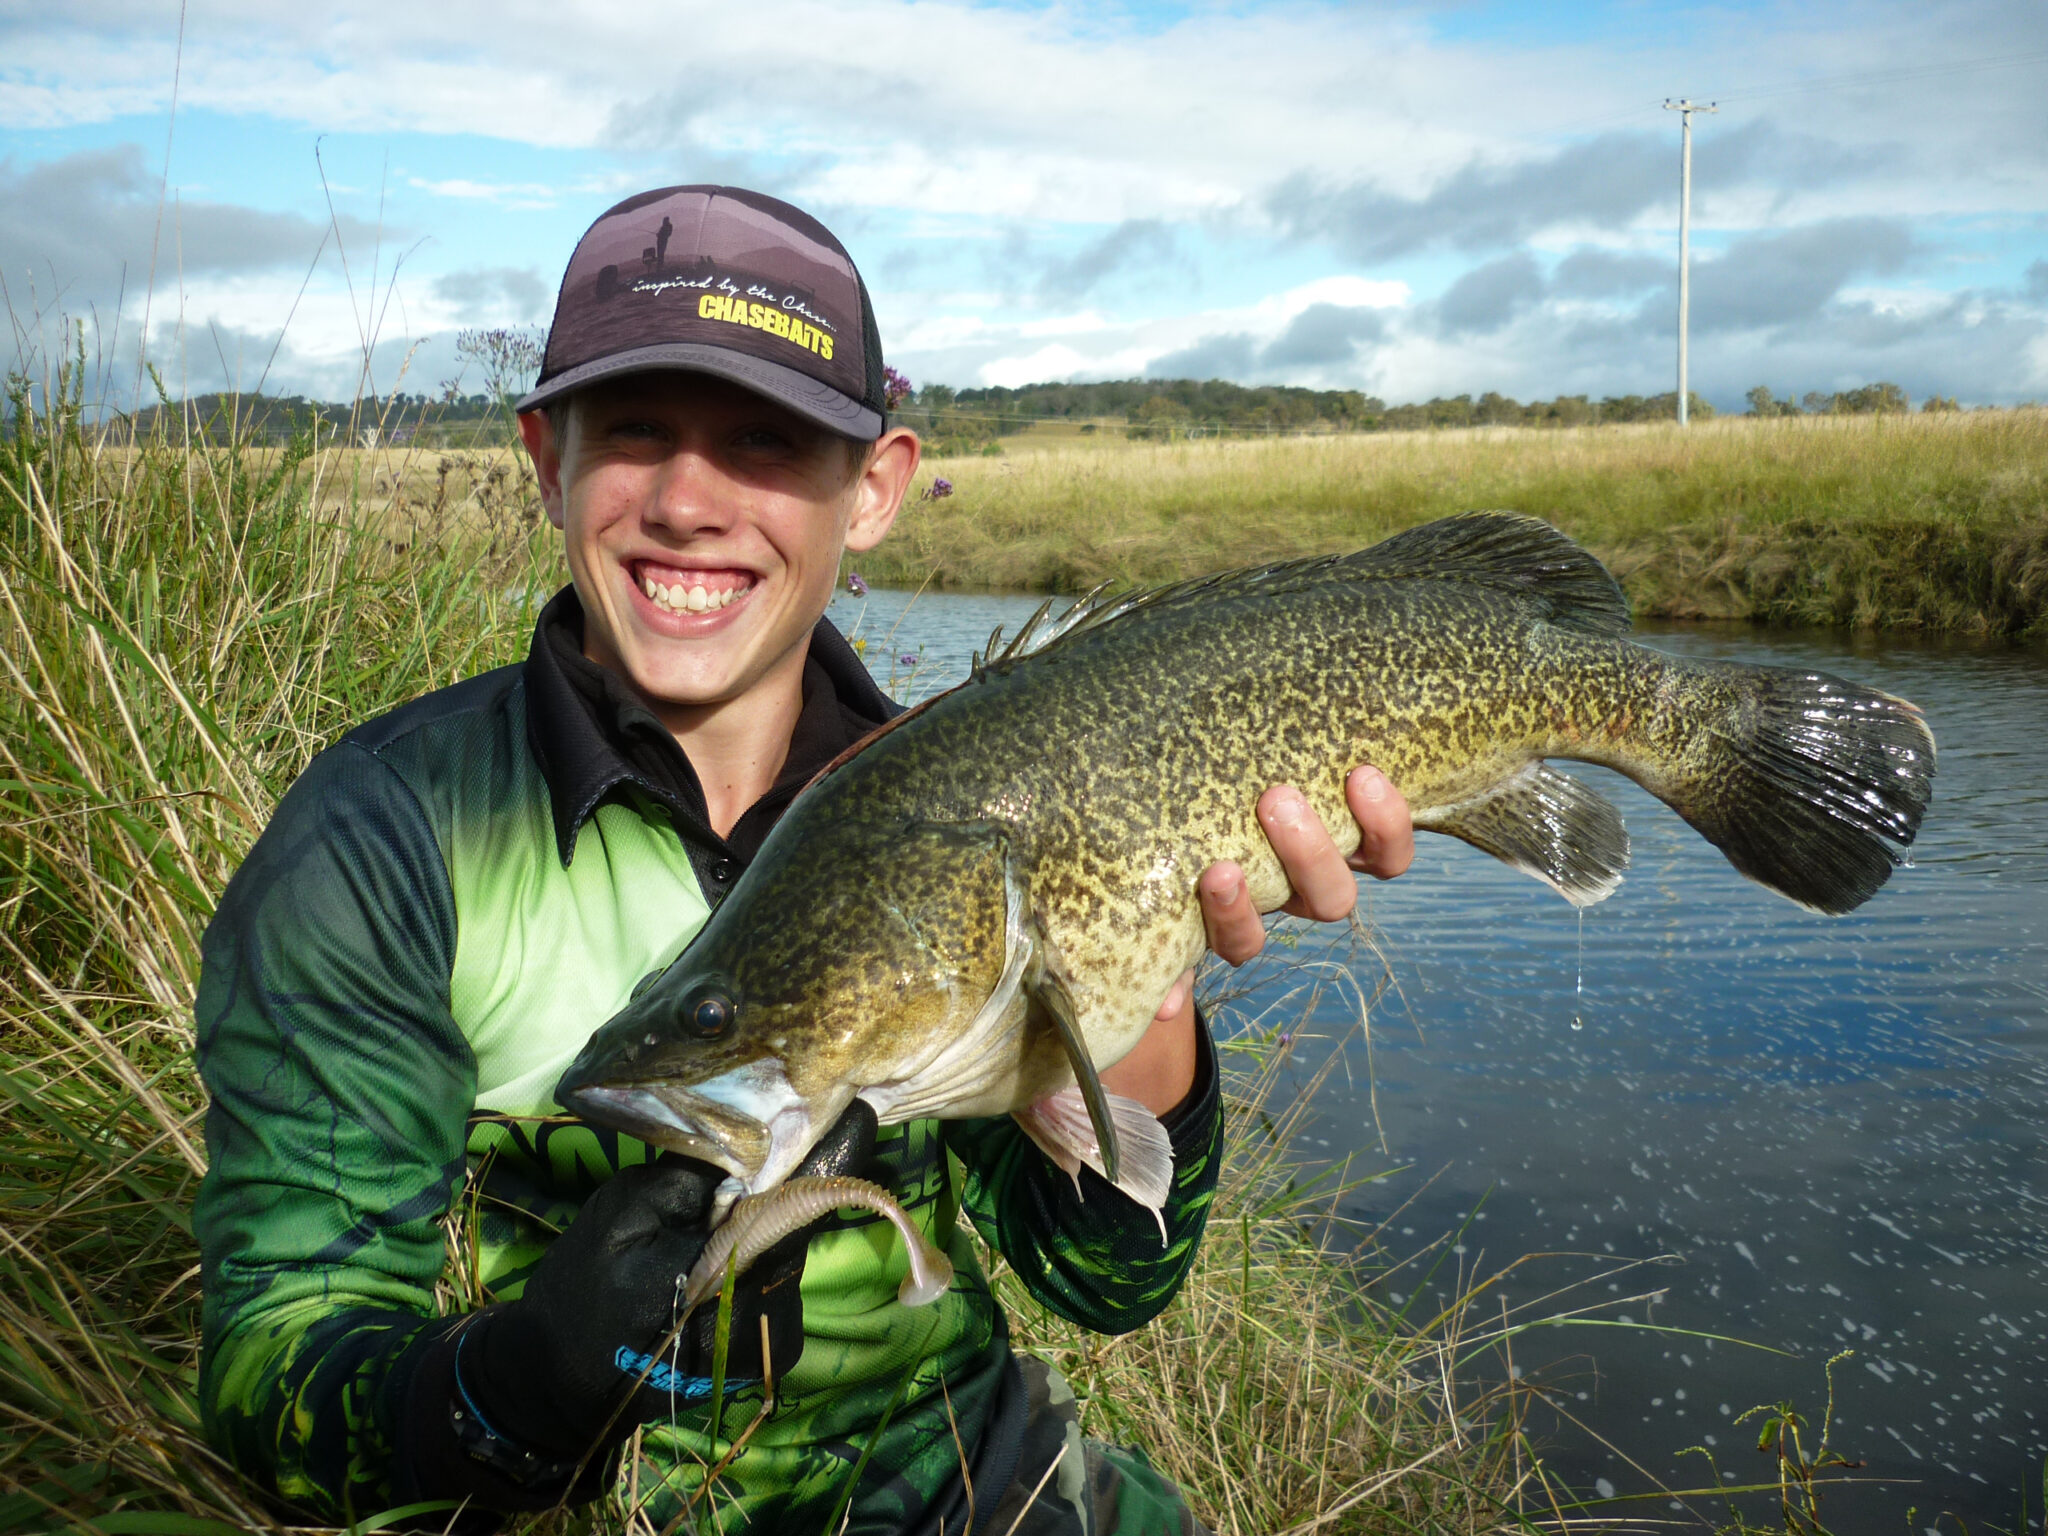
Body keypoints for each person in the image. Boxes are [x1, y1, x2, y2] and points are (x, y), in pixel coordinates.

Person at [192, 185, 1414, 1535]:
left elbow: (1109, 1287)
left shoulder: (965, 810)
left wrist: (1151, 993)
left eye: (766, 442)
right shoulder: (385, 840)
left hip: (963, 1474)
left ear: (875, 488)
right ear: (547, 458)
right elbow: (267, 1379)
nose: (687, 502)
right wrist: (516, 1388)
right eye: (636, 432)